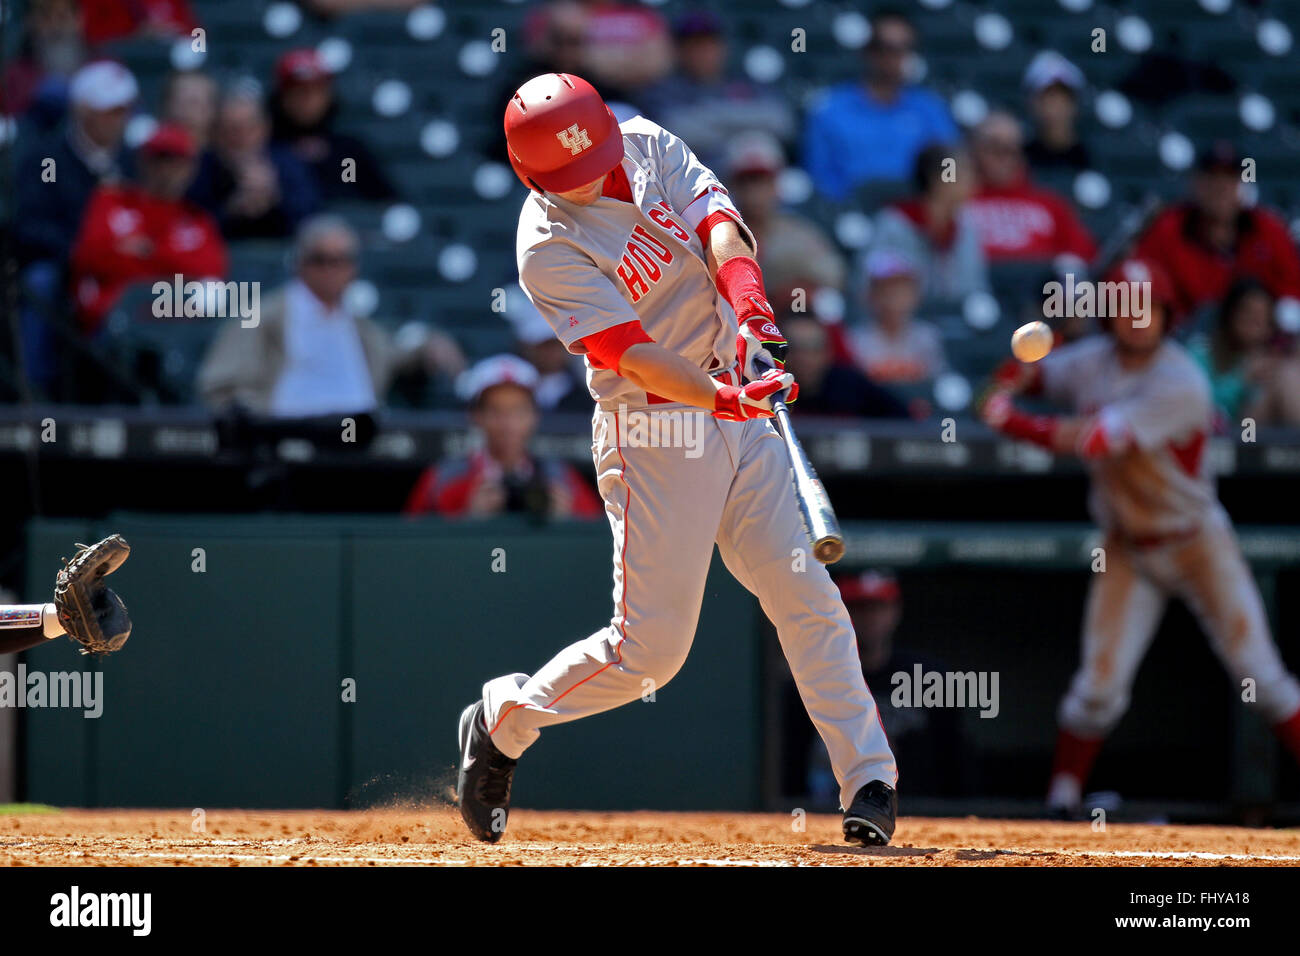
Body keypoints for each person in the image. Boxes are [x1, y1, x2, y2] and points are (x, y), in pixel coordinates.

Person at [455, 72, 898, 848]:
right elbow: (634, 356)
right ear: (532, 175)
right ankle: (503, 723)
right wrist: (725, 400)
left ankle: (869, 778)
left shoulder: (648, 142)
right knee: (651, 652)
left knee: (804, 588)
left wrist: (751, 307)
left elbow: (721, 226)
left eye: (593, 153)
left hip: (737, 395)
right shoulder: (546, 242)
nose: (591, 174)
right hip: (655, 428)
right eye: (569, 169)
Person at [978, 258, 1300, 817]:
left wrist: (1007, 418)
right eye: (1124, 307)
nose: (1135, 319)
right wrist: (1018, 367)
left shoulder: (1182, 381)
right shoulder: (1089, 362)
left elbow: (1094, 439)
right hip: (1127, 546)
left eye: (1146, 308)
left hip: (1197, 541)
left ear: (1166, 315)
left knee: (1264, 680)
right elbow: (1041, 373)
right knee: (1099, 691)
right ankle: (1062, 802)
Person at [197, 215, 463, 416]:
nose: (331, 270)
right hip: (288, 443)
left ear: (354, 268)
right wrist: (260, 417)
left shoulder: (357, 325)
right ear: (300, 263)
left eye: (341, 260)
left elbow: (394, 353)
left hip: (358, 448)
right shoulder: (264, 315)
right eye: (320, 260)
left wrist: (428, 343)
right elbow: (219, 385)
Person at [784, 572, 966, 806]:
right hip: (830, 809)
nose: (869, 617)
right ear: (840, 611)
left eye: (878, 607)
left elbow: (954, 761)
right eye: (859, 607)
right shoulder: (812, 677)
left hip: (920, 810)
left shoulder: (929, 678)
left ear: (895, 611)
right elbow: (789, 764)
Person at [14, 59, 137, 392]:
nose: (118, 120)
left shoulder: (133, 162)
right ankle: (35, 387)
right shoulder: (48, 160)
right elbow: (29, 225)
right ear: (83, 111)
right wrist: (77, 251)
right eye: (110, 110)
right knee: (40, 282)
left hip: (123, 265)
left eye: (124, 110)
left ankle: (137, 386)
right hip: (65, 264)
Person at [69, 124, 226, 333]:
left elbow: (211, 270)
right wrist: (170, 268)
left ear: (191, 168)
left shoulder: (196, 219)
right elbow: (88, 256)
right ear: (143, 161)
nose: (166, 170)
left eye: (176, 162)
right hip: (113, 323)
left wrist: (148, 252)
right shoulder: (111, 201)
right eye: (159, 159)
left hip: (172, 324)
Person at [404, 355, 603, 520]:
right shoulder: (444, 478)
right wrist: (468, 519)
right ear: (476, 416)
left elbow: (597, 541)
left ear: (535, 416)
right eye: (495, 412)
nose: (508, 424)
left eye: (518, 411)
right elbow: (413, 547)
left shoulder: (560, 478)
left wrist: (566, 523)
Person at [801, 7, 958, 201]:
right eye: (885, 48)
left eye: (903, 48)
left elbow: (949, 168)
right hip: (849, 216)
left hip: (916, 216)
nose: (893, 58)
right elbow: (820, 178)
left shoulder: (931, 109)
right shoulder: (829, 110)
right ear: (868, 51)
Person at [1134, 141, 1300, 319]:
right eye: (1212, 177)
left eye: (1230, 177)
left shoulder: (1267, 229)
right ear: (1196, 183)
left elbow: (1293, 291)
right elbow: (1141, 283)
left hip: (1256, 340)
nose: (1221, 186)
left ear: (1243, 186)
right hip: (1183, 338)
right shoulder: (1169, 228)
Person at [638, 11, 795, 173]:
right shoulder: (663, 89)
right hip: (690, 179)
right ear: (679, 50)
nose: (704, 51)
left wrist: (710, 118)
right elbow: (674, 132)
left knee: (758, 147)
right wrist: (740, 122)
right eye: (695, 44)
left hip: (746, 178)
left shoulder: (745, 82)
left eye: (710, 43)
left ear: (723, 46)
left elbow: (781, 121)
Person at [722, 131, 846, 317]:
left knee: (816, 307)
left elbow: (833, 276)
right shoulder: (716, 234)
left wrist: (791, 293)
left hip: (787, 322)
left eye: (763, 182)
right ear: (733, 187)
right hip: (733, 324)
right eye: (747, 182)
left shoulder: (799, 233)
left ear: (776, 185)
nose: (755, 192)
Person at [186, 86, 320, 240]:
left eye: (249, 128)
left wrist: (273, 198)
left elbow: (310, 222)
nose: (240, 138)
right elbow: (189, 232)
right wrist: (233, 210)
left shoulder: (288, 163)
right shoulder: (198, 169)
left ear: (265, 128)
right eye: (231, 130)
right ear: (215, 133)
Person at [866, 143, 989, 308]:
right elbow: (869, 286)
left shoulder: (966, 225)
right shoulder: (894, 222)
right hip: (904, 323)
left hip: (957, 322)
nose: (972, 180)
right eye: (962, 172)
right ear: (938, 178)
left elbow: (975, 287)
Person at [966, 111, 1097, 263]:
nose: (1004, 156)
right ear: (974, 151)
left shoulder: (1050, 204)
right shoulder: (958, 202)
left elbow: (1085, 254)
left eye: (1011, 149)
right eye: (994, 147)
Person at [269, 48, 396, 202]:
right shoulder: (265, 148)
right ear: (282, 96)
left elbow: (379, 199)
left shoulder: (348, 153)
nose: (307, 100)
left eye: (316, 91)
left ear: (329, 95)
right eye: (298, 91)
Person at [1189, 279, 1300, 426]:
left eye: (1263, 318)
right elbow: (1202, 406)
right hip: (1220, 440)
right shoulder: (1200, 352)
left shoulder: (1265, 360)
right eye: (1249, 314)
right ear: (1230, 314)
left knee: (1289, 372)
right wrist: (1242, 379)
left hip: (1252, 436)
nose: (1255, 325)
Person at [850, 250, 947, 387]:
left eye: (903, 289)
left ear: (916, 295)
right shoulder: (855, 341)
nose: (896, 296)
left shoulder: (928, 337)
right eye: (887, 289)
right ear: (871, 295)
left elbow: (938, 385)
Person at [783, 315, 907, 419]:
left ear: (828, 352)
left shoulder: (852, 385)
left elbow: (905, 420)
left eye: (813, 348)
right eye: (794, 348)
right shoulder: (769, 393)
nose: (803, 357)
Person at [1, 0, 85, 123]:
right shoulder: (12, 78)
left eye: (63, 16)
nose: (55, 26)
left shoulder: (100, 68)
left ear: (78, 20)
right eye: (46, 16)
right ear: (30, 21)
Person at [1022, 51, 1091, 173]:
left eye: (1064, 98)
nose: (1056, 106)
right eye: (1048, 98)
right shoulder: (1019, 159)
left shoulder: (1092, 157)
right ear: (1032, 103)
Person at [158, 70, 219, 152]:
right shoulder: (145, 158)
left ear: (212, 109)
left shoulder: (225, 160)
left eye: (194, 103)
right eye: (179, 102)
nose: (186, 111)